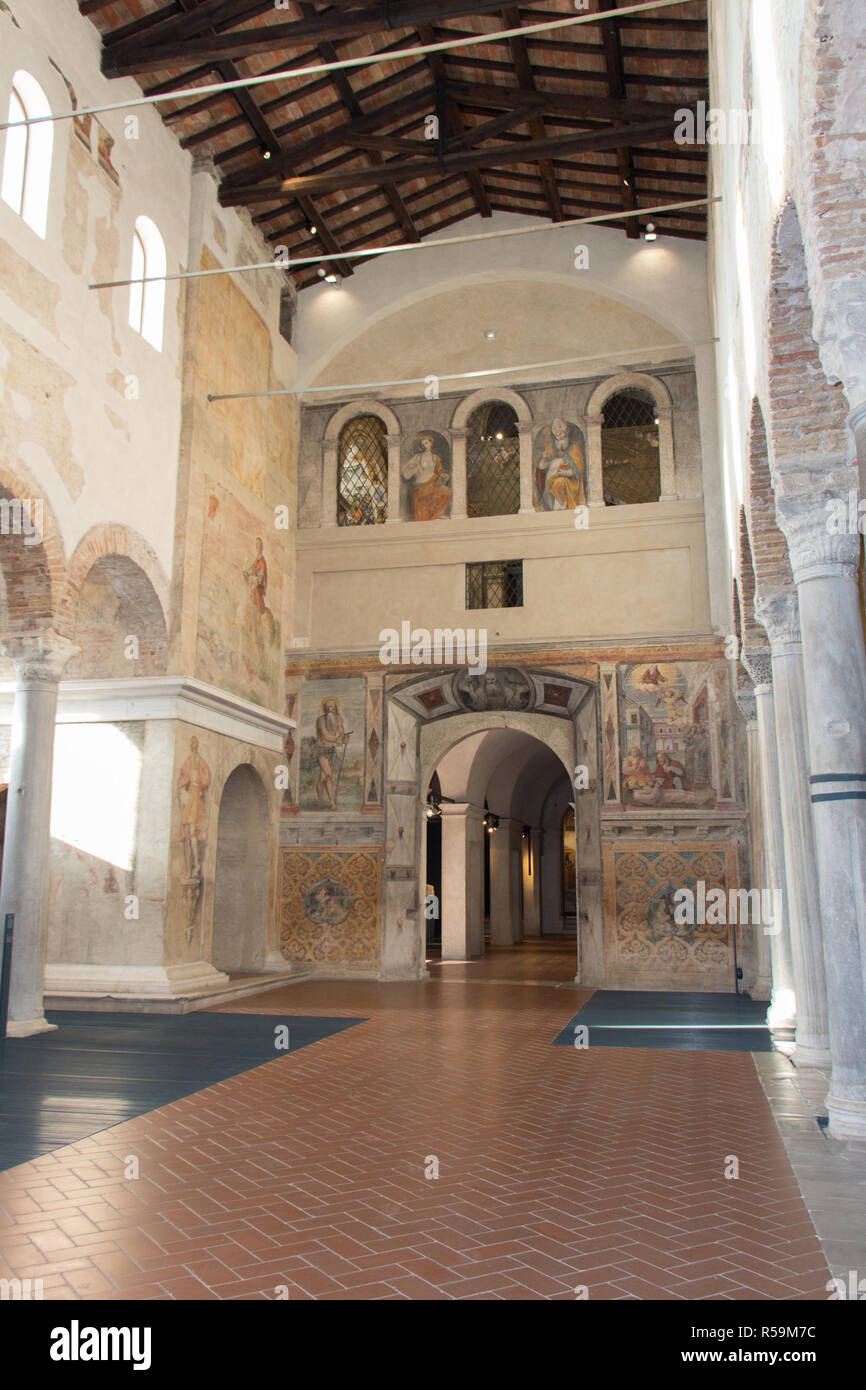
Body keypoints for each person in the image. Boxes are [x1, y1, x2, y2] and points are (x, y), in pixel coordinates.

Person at [536, 418, 586, 510]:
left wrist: (563, 473)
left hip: (570, 480)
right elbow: (541, 467)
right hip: (551, 479)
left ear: (566, 433)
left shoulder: (574, 448)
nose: (560, 437)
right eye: (557, 435)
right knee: (555, 483)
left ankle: (561, 504)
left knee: (559, 483)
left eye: (561, 434)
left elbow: (578, 469)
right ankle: (557, 504)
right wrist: (543, 458)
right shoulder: (550, 448)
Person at [177, 736, 210, 875]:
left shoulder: (200, 762)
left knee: (194, 833)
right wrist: (179, 787)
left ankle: (196, 863)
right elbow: (183, 776)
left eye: (195, 744)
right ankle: (189, 864)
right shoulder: (189, 761)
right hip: (190, 796)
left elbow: (205, 778)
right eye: (192, 744)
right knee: (188, 832)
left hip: (196, 796)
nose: (193, 746)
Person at [402, 435, 451, 521]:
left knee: (446, 491)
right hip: (420, 486)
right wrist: (413, 468)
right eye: (423, 444)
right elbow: (405, 471)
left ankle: (436, 516)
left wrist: (444, 475)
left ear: (431, 444)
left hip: (433, 484)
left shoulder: (436, 457)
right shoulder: (418, 457)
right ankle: (430, 518)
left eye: (426, 443)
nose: (425, 445)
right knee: (423, 507)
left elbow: (440, 471)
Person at [315, 697, 350, 809]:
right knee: (329, 776)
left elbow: (341, 732)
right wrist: (337, 740)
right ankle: (332, 803)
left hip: (331, 751)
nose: (331, 709)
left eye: (333, 707)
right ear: (325, 709)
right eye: (328, 707)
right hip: (321, 750)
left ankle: (320, 801)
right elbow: (325, 735)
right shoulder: (321, 719)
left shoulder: (339, 718)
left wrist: (344, 738)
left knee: (323, 778)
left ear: (336, 708)